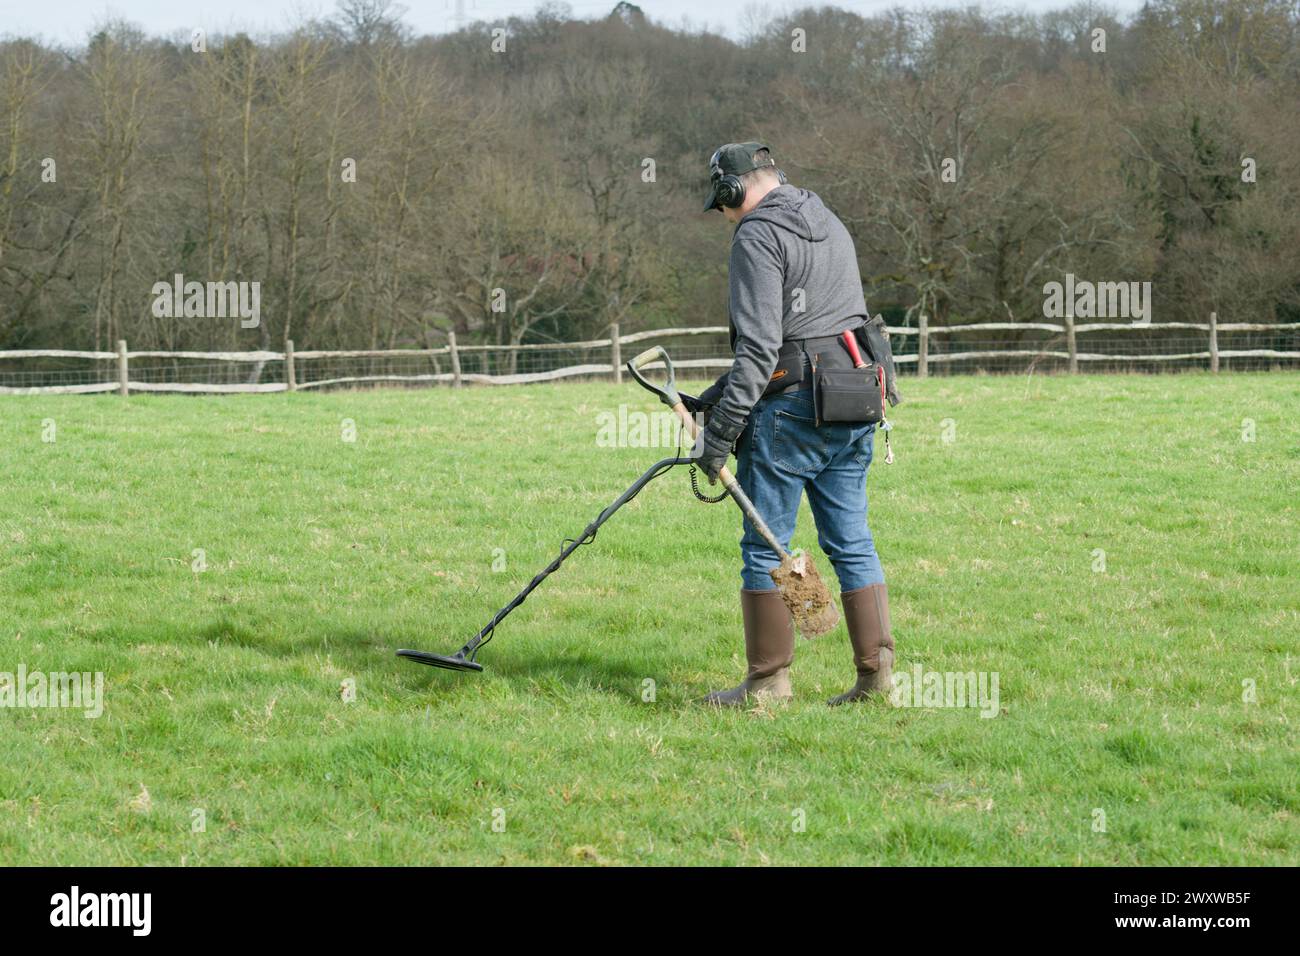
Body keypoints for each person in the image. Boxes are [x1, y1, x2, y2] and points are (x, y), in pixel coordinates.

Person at [686, 142, 899, 707]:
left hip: (792, 412)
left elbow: (759, 352)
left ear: (734, 191)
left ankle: (766, 686)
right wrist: (710, 402)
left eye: (722, 204)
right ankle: (877, 681)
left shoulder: (756, 236)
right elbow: (809, 336)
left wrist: (719, 437)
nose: (724, 216)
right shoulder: (827, 219)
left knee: (765, 545)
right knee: (852, 541)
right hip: (855, 400)